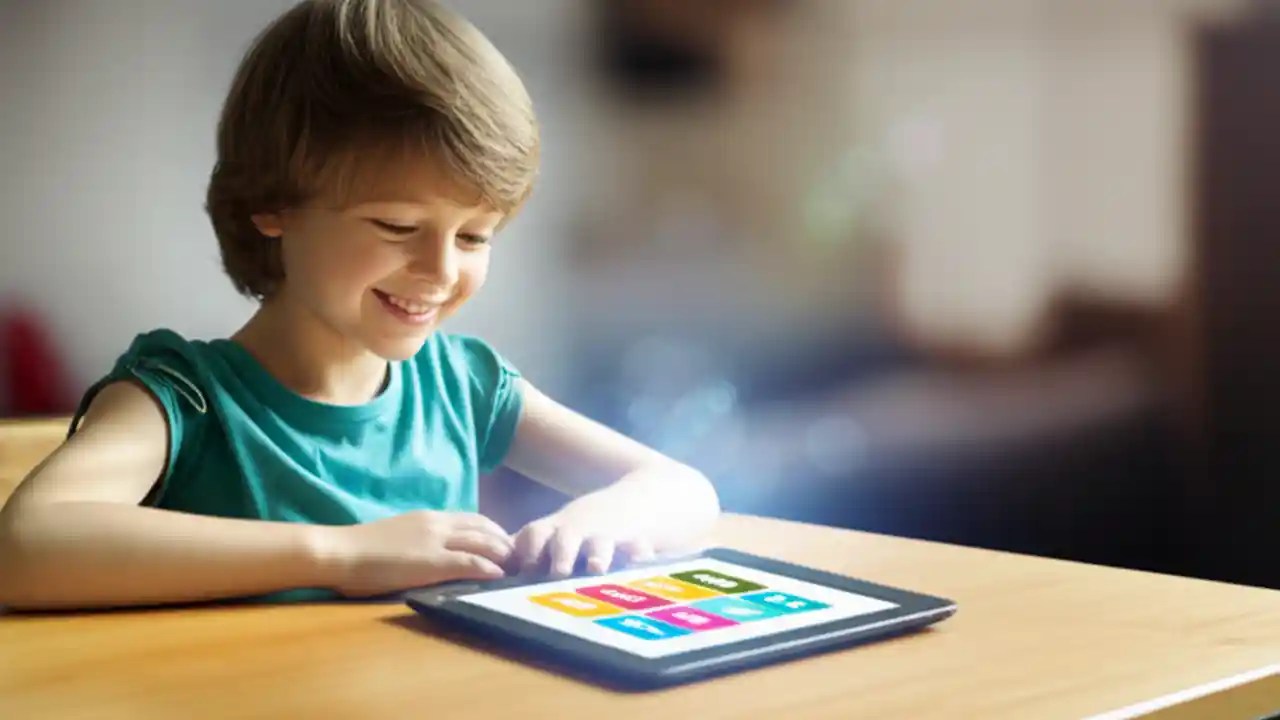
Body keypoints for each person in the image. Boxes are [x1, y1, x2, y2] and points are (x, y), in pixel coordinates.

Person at [0, 0, 719, 610]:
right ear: (274, 205)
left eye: (474, 235)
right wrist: (343, 555)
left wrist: (605, 514)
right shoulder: (183, 399)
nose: (440, 270)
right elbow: (24, 548)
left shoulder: (460, 384)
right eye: (397, 227)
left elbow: (681, 488)